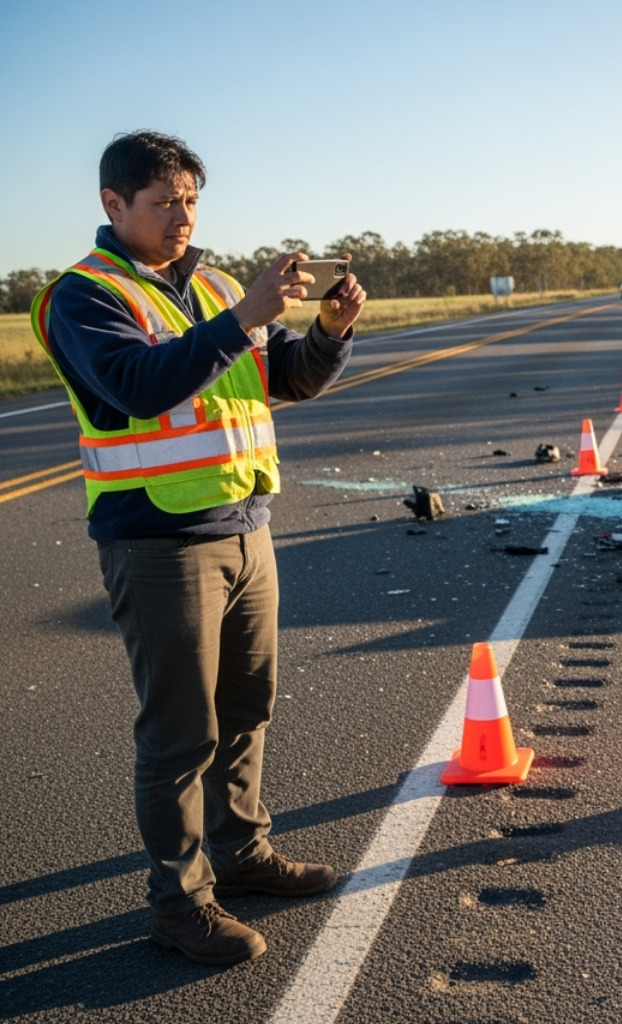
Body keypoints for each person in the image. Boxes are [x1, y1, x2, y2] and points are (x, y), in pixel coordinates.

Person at [30, 131, 366, 966]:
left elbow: (281, 379)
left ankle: (242, 853)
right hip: (160, 539)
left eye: (190, 201)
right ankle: (179, 904)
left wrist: (326, 331)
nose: (181, 217)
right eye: (162, 203)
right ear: (114, 205)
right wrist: (246, 315)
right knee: (181, 733)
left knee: (247, 709)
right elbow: (139, 388)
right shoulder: (82, 296)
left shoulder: (213, 285)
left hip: (247, 528)